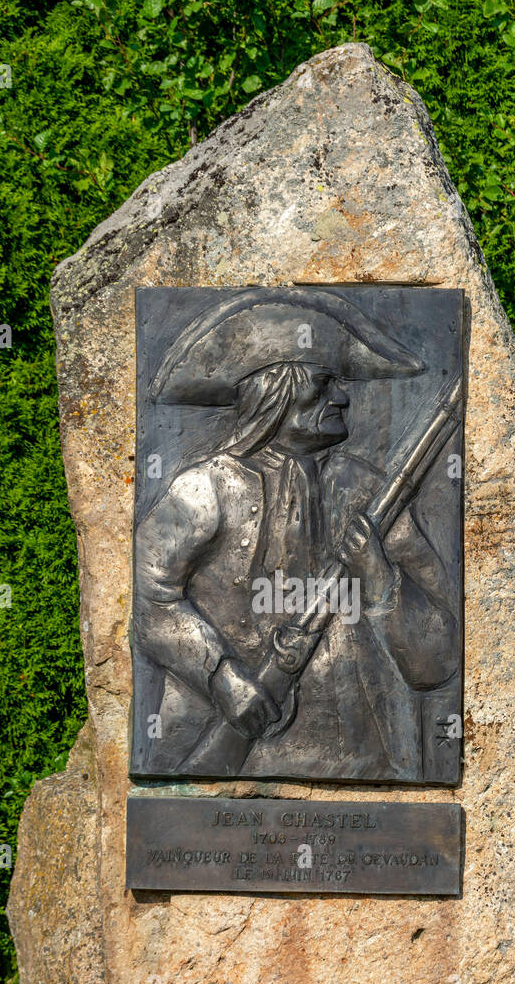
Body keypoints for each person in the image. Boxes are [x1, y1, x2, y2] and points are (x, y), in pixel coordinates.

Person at [132, 289, 457, 780]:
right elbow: (147, 599)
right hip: (236, 730)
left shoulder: (366, 489)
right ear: (274, 390)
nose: (343, 397)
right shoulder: (206, 488)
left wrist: (380, 579)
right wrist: (222, 676)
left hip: (368, 754)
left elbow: (437, 662)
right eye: (324, 383)